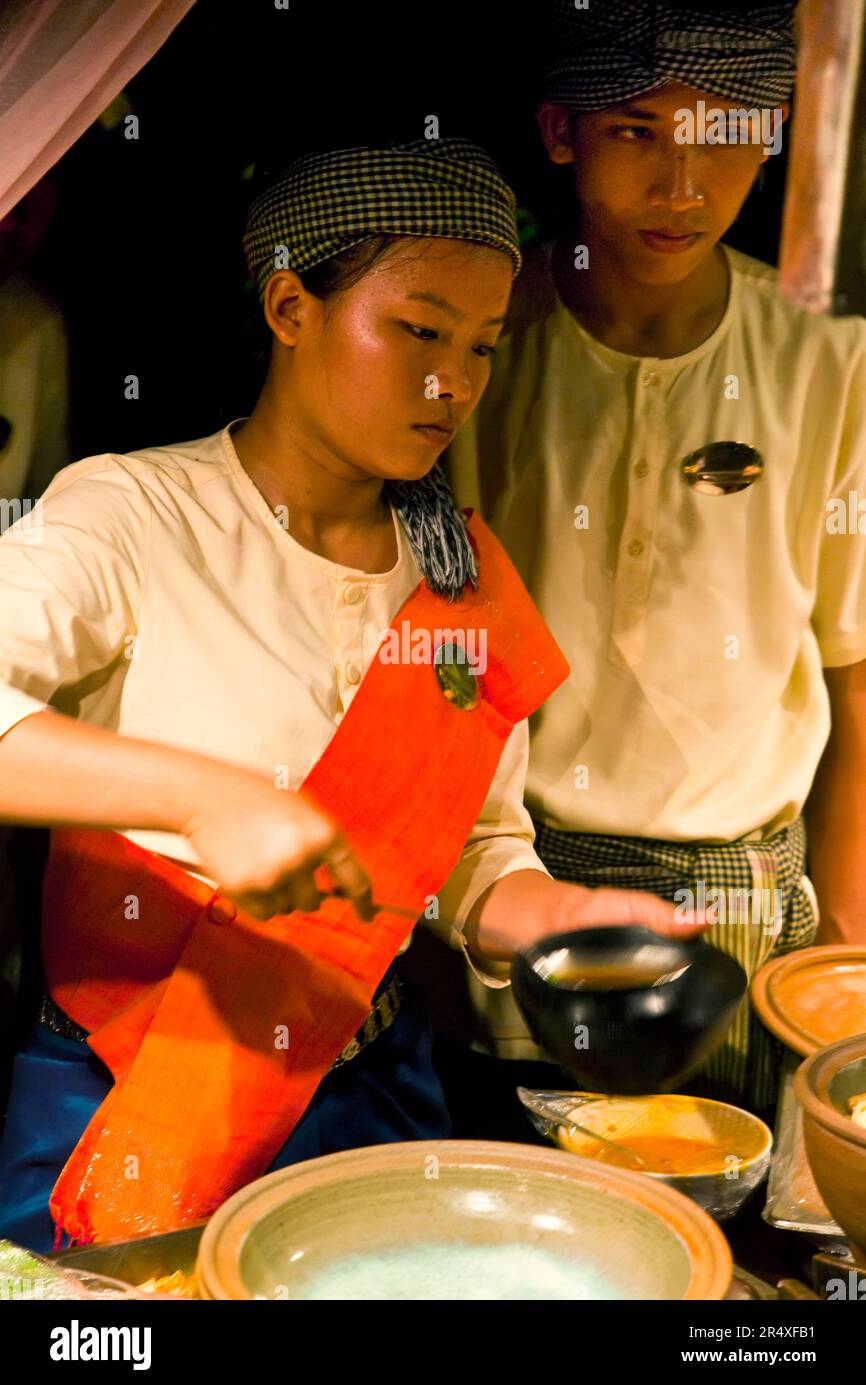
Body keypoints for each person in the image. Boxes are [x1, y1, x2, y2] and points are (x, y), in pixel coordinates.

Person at [0, 138, 686, 1253]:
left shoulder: (457, 580)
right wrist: (205, 800)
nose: (453, 382)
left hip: (369, 1096)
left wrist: (550, 915)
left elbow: (472, 852)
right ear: (289, 307)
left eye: (480, 345)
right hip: (123, 1089)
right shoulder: (132, 515)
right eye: (417, 330)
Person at [444, 1, 866, 1116]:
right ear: (559, 132)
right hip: (509, 881)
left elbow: (853, 667)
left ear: (772, 140)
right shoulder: (478, 338)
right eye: (636, 133)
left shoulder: (828, 354)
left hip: (740, 902)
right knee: (510, 1193)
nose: (682, 186)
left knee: (719, 1203)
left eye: (723, 137)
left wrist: (845, 949)